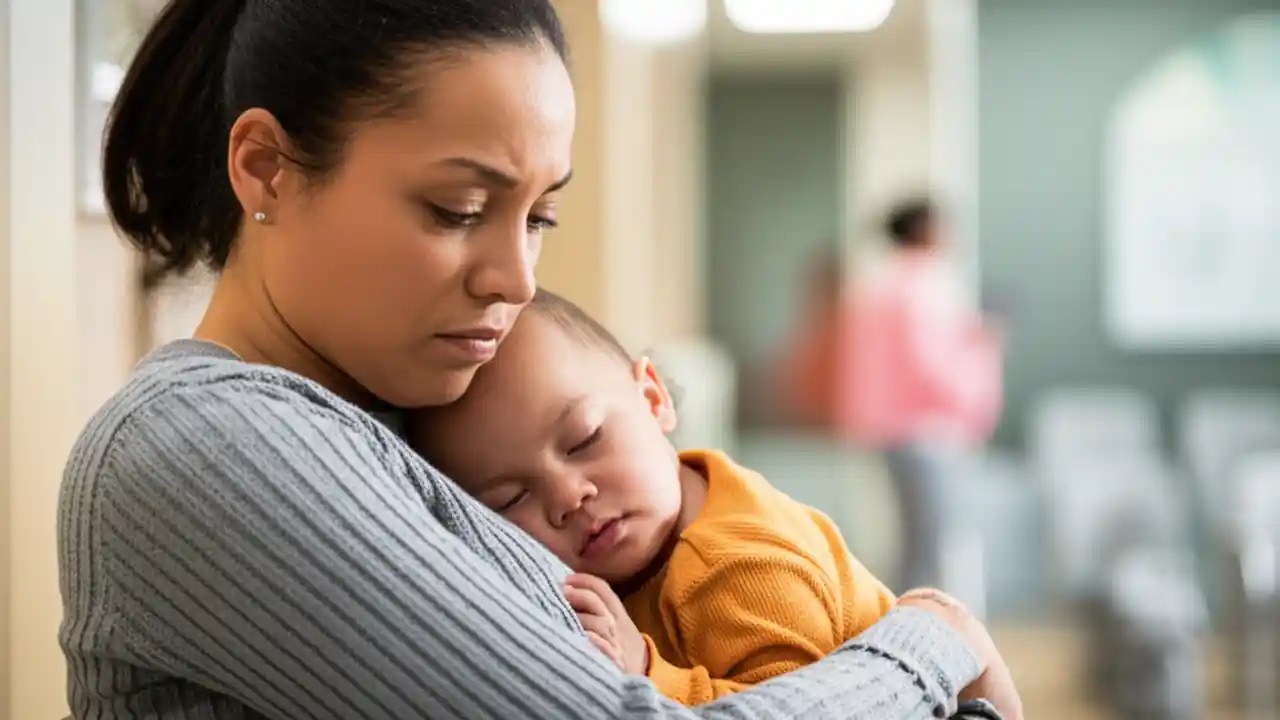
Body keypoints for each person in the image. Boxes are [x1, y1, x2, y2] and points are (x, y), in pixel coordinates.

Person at [58, 1, 1021, 718]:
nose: (514, 277)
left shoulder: (404, 413)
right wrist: (931, 642)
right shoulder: (207, 446)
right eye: (457, 211)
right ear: (266, 166)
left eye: (541, 215)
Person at [410, 289, 898, 705]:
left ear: (653, 399)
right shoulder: (668, 510)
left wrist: (647, 669)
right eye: (510, 499)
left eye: (584, 440)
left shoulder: (739, 567)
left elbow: (801, 709)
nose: (568, 497)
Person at [839, 198, 1005, 590]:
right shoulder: (922, 287)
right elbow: (931, 366)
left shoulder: (880, 284)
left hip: (893, 430)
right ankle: (914, 635)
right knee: (929, 544)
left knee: (916, 541)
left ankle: (908, 632)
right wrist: (981, 353)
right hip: (926, 432)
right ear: (924, 230)